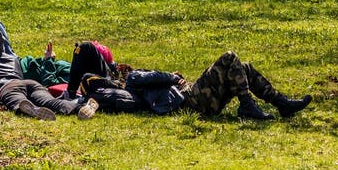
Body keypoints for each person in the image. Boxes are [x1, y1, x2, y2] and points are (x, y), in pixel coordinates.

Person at [74, 45, 312, 121]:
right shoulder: (133, 79)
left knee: (244, 68)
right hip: (190, 100)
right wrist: (174, 77)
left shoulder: (135, 83)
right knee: (229, 57)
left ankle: (281, 103)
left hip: (193, 99)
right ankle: (247, 104)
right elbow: (157, 78)